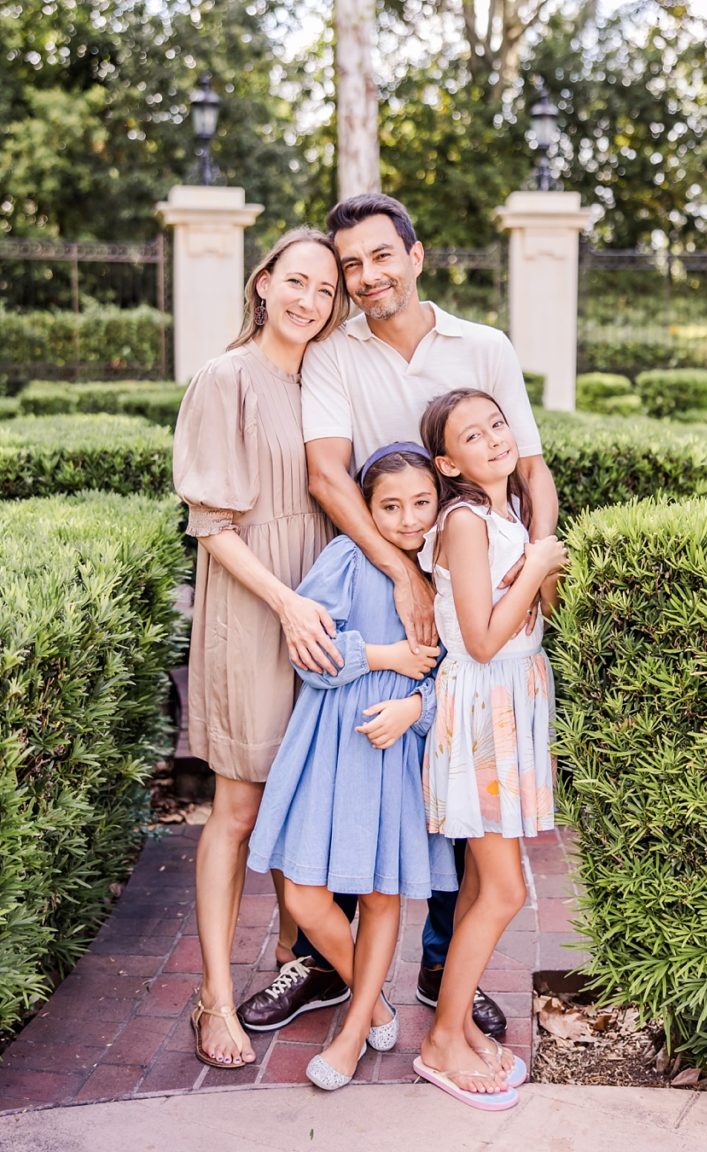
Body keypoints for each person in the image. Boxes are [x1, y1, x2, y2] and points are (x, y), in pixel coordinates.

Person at [238, 193, 558, 1039]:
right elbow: (328, 474)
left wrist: (536, 559)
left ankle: (444, 968)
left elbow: (531, 467)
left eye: (382, 256)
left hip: (472, 577)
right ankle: (324, 961)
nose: (367, 275)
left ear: (416, 256)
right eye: (352, 264)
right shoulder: (332, 354)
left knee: (455, 770)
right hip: (379, 576)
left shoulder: (484, 346)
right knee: (361, 757)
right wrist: (398, 572)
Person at [173, 227, 349, 1069]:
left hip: (320, 610)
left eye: (326, 290)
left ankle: (290, 961)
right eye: (297, 281)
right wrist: (285, 603)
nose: (309, 300)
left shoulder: (324, 379)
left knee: (301, 801)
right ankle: (213, 993)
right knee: (239, 809)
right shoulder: (227, 378)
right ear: (263, 282)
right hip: (255, 610)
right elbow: (211, 524)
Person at [247, 445, 455, 1090]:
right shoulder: (346, 557)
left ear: (439, 502)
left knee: (380, 892)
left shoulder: (449, 569)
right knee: (305, 891)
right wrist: (386, 656)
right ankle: (379, 1004)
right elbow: (307, 654)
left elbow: (461, 674)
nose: (408, 519)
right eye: (389, 506)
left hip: (393, 752)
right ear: (366, 509)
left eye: (421, 503)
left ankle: (353, 1027)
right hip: (331, 744)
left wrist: (415, 708)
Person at [412, 387, 566, 1110]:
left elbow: (536, 614)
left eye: (498, 424)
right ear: (448, 463)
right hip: (482, 710)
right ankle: (442, 1041)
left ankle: (458, 1025)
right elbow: (477, 639)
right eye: (472, 435)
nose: (495, 438)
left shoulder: (512, 514)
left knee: (479, 885)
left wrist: (538, 565)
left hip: (517, 697)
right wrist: (536, 565)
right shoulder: (465, 521)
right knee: (505, 890)